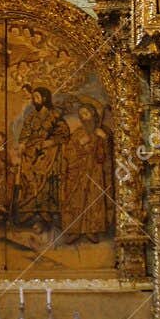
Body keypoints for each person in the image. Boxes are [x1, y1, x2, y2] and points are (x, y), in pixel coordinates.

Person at [13, 87, 68, 230]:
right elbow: (25, 132)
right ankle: (29, 210)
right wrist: (22, 144)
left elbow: (64, 132)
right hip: (30, 152)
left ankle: (45, 211)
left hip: (47, 153)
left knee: (44, 177)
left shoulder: (54, 114)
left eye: (36, 97)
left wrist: (51, 142)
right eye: (33, 98)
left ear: (44, 98)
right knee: (27, 177)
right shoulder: (31, 116)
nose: (34, 100)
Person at [59, 104, 112, 241]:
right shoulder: (77, 133)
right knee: (76, 199)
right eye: (81, 115)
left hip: (95, 171)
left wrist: (105, 139)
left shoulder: (100, 132)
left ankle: (92, 229)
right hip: (78, 171)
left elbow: (106, 155)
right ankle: (74, 230)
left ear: (93, 115)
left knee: (93, 199)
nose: (84, 117)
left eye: (86, 114)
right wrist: (79, 145)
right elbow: (68, 152)